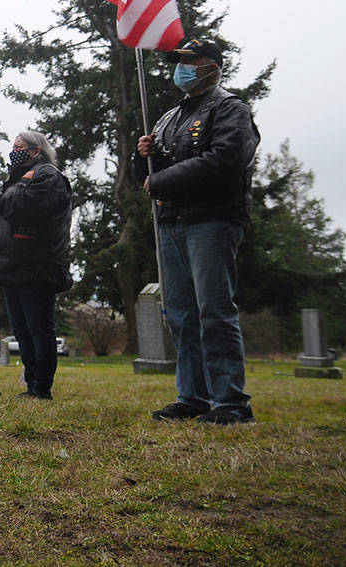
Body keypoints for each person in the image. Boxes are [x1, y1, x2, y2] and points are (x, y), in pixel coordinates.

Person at [136, 38, 259, 425]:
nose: (182, 68)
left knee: (214, 311)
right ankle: (192, 397)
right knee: (181, 315)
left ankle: (231, 402)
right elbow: (150, 179)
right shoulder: (168, 118)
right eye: (179, 61)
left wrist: (163, 178)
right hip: (172, 222)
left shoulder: (230, 108)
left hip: (213, 220)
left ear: (213, 66)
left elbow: (226, 159)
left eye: (191, 61)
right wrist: (147, 158)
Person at [0, 131, 72, 400]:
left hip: (37, 264)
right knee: (22, 331)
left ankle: (42, 386)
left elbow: (26, 206)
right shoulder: (17, 179)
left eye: (20, 147)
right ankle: (31, 381)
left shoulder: (47, 175)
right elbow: (6, 210)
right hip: (13, 265)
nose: (14, 150)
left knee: (39, 328)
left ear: (35, 150)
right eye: (13, 146)